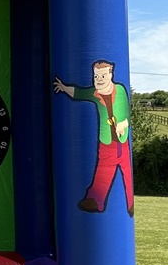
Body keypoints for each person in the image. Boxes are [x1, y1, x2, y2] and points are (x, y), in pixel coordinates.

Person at [53, 60, 134, 217]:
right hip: (107, 143)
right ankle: (96, 201)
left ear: (110, 75)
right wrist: (63, 88)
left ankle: (129, 204)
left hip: (121, 142)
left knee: (127, 172)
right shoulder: (95, 93)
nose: (99, 79)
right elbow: (79, 93)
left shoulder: (120, 90)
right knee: (103, 172)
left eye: (103, 75)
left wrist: (123, 125)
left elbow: (126, 115)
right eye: (96, 76)